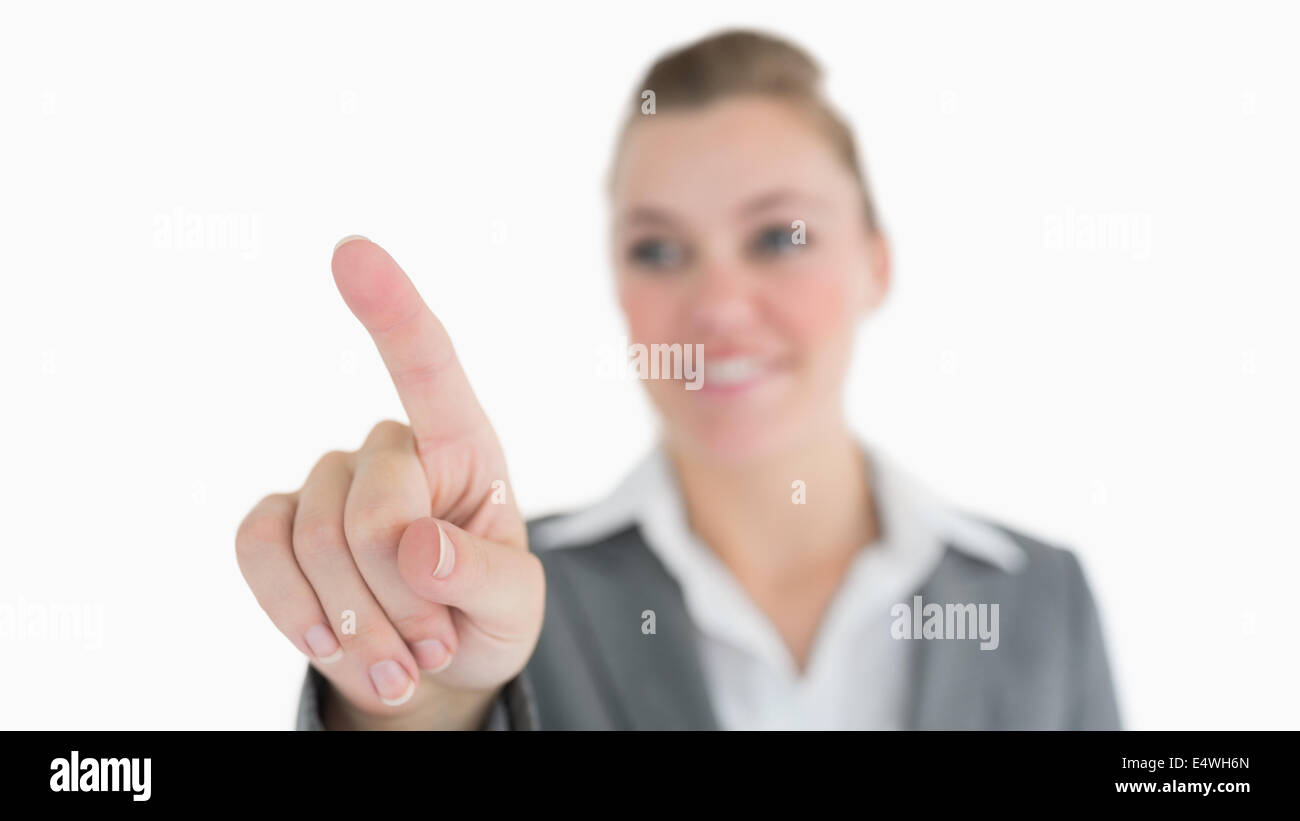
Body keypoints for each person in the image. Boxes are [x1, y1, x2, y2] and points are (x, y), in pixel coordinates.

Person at [235, 28, 1122, 730]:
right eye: (659, 249)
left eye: (780, 237)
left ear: (876, 264)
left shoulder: (1041, 597)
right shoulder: (507, 598)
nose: (719, 306)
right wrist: (421, 708)